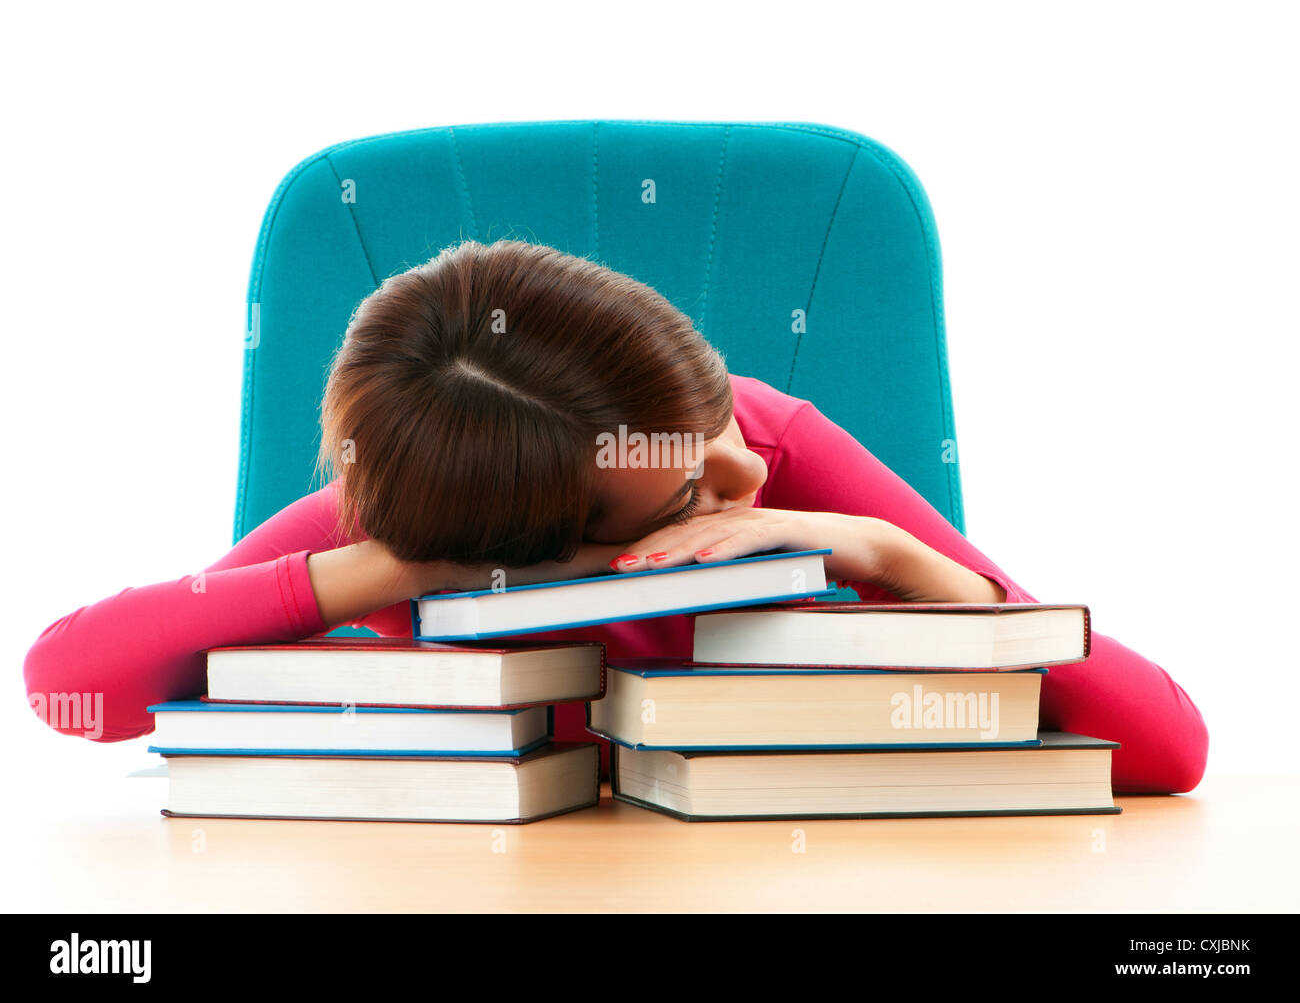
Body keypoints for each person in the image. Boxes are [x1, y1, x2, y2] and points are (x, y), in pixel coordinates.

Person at [22, 239, 1208, 792]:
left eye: (711, 413)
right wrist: (383, 570)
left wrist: (887, 553)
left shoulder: (765, 439)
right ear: (528, 542)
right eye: (692, 491)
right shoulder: (440, 513)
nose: (745, 483)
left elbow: (1166, 746)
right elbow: (67, 685)